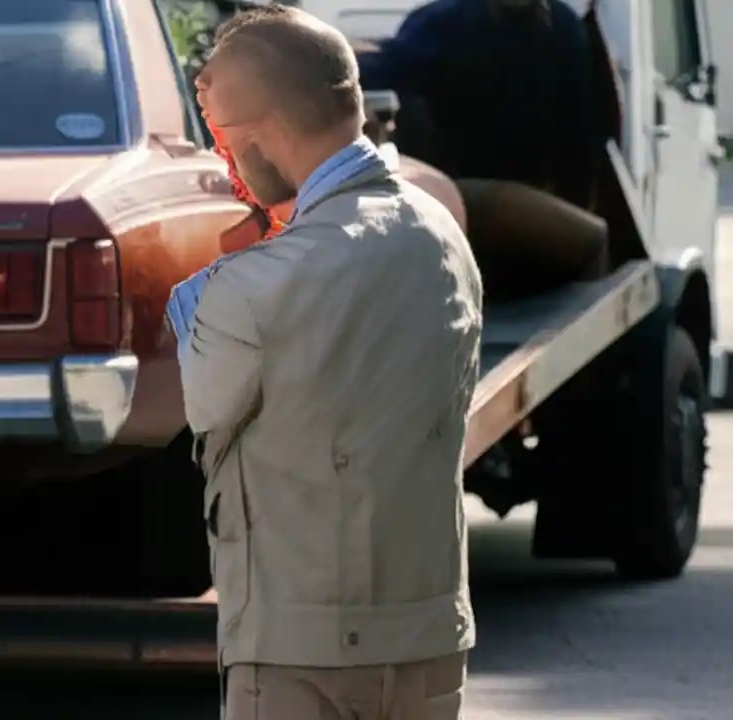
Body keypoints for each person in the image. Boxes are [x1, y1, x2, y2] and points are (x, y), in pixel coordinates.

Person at [172, 6, 483, 718]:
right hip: (430, 633)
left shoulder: (249, 286)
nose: (225, 164)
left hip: (298, 649)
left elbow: (207, 408)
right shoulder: (443, 234)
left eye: (223, 142)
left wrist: (218, 278)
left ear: (261, 137)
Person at [355, 0, 605, 209]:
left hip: (472, 196)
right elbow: (587, 140)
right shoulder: (566, 26)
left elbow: (383, 68)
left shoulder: (444, 24)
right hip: (545, 201)